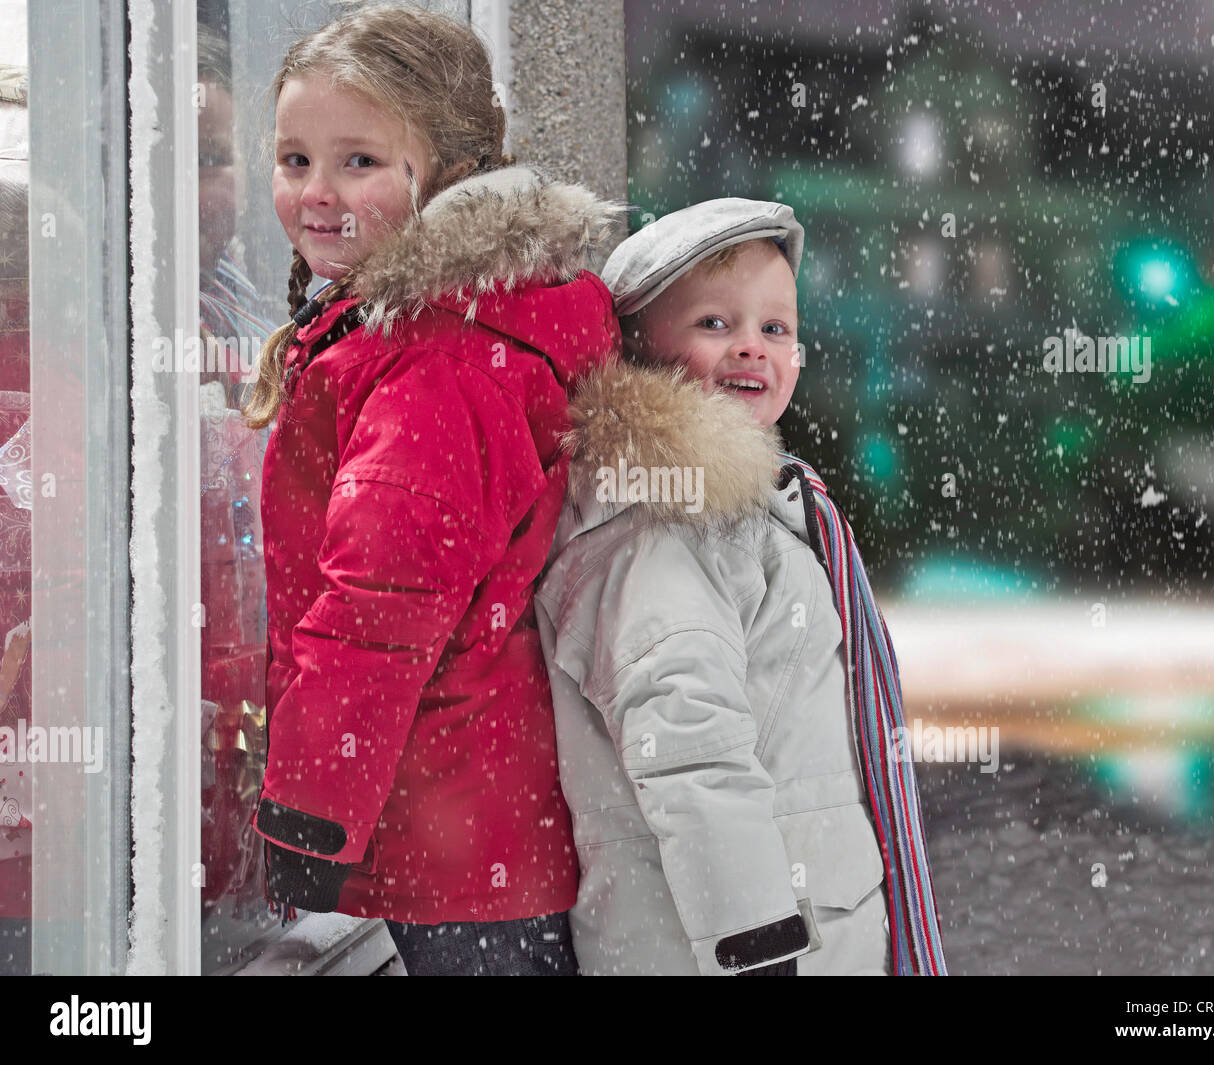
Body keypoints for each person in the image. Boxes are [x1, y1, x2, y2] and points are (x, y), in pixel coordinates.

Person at [243, 3, 621, 976]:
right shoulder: (461, 312)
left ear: (447, 167)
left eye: (358, 162)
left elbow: (381, 604)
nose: (316, 193)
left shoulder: (439, 359)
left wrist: (307, 816)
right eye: (294, 161)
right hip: (488, 812)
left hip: (459, 839)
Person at [534, 199, 947, 975]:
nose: (751, 349)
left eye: (775, 329)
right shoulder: (660, 526)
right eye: (715, 324)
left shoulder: (746, 510)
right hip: (744, 948)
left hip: (805, 927)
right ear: (639, 352)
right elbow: (691, 750)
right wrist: (755, 939)